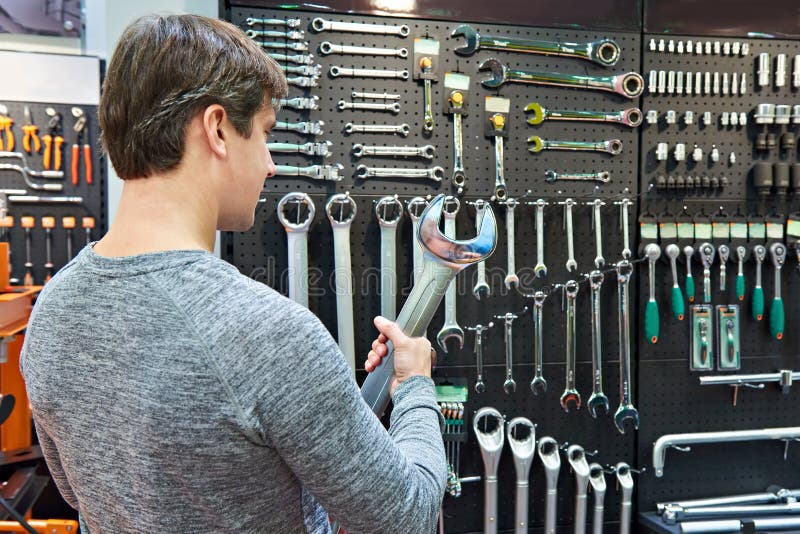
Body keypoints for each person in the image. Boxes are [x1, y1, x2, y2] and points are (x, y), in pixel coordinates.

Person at [20, 14, 445, 533]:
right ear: (218, 128)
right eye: (265, 133)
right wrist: (416, 385)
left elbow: (78, 493)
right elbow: (410, 518)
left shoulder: (52, 313)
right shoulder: (272, 335)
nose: (269, 164)